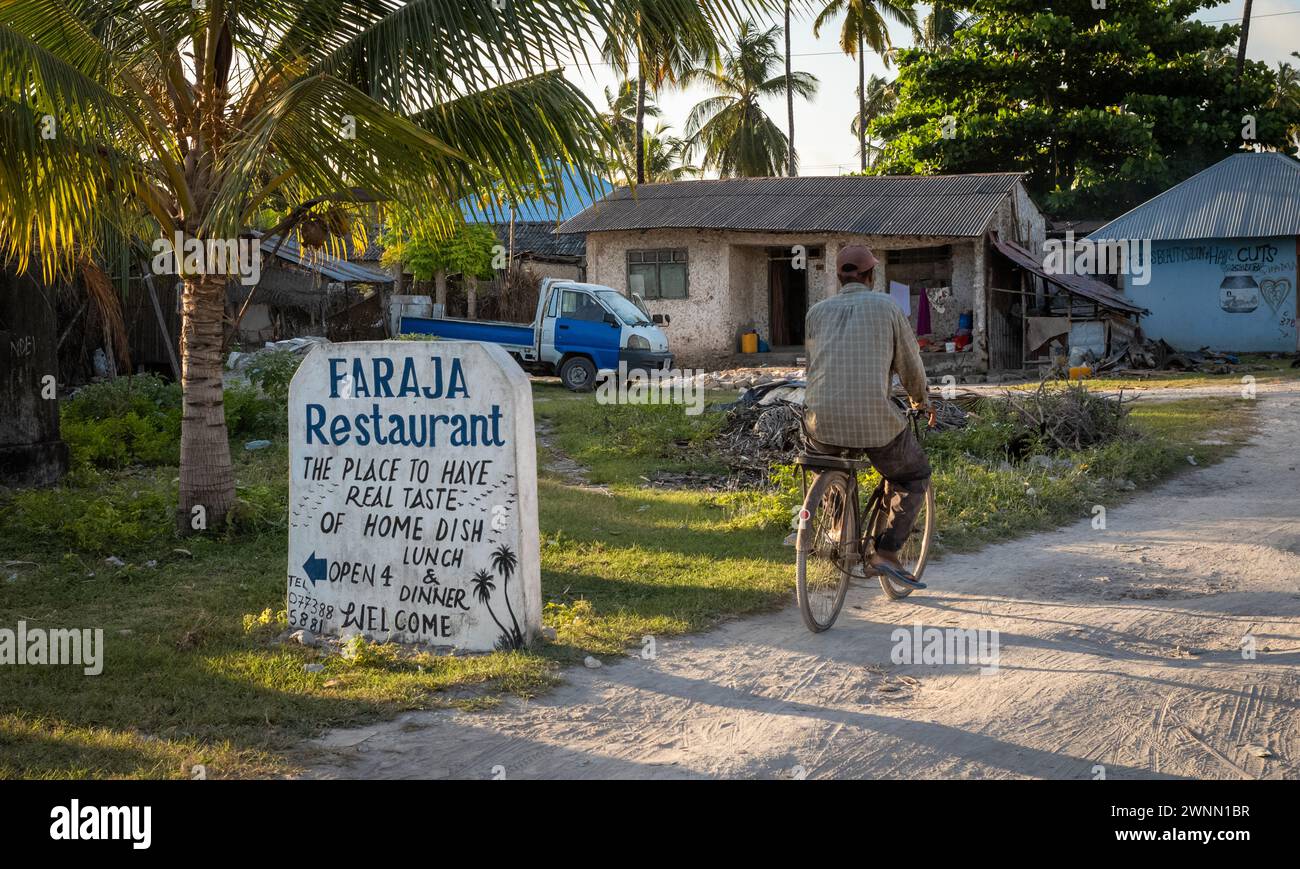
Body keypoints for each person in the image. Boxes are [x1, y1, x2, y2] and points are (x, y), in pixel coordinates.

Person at [803, 244, 935, 586]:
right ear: (871, 276)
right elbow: (910, 366)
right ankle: (886, 551)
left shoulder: (816, 312)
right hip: (875, 422)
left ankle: (836, 525)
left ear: (838, 276)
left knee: (830, 460)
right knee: (912, 474)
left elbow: (813, 368)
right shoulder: (887, 307)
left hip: (821, 419)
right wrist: (920, 401)